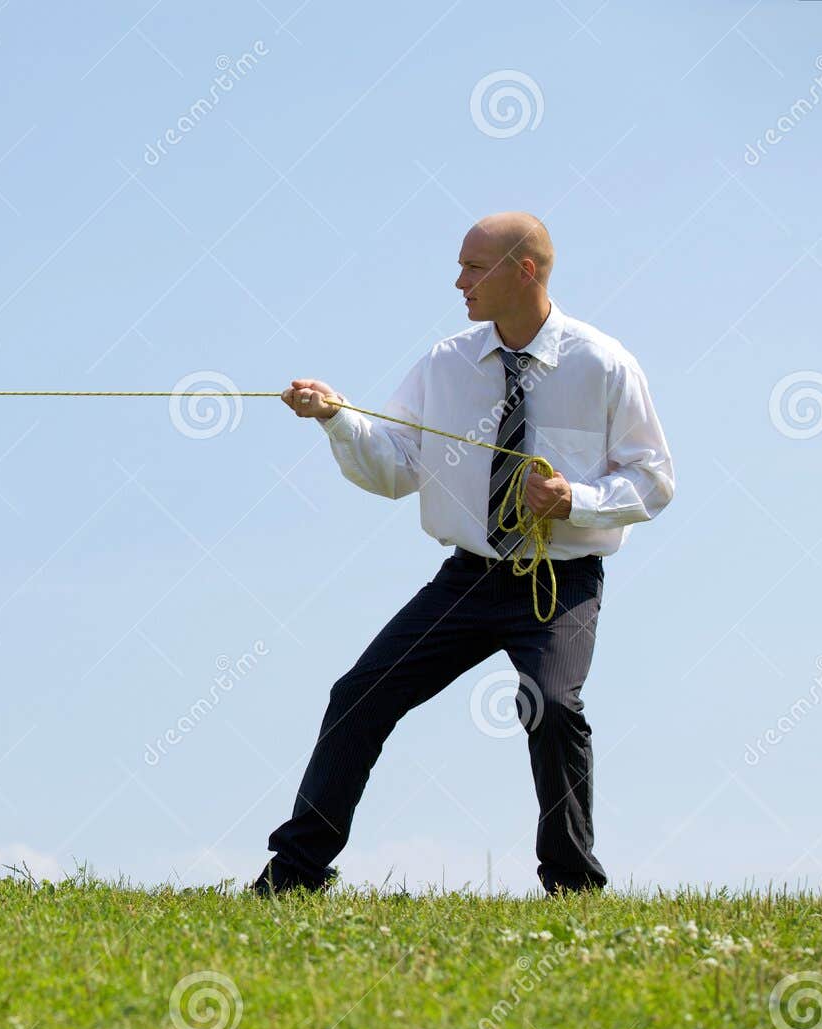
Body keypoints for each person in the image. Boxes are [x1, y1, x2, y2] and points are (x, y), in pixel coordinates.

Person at [253, 212, 675, 897]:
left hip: (559, 581)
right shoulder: (446, 363)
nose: (460, 282)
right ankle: (295, 873)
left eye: (474, 267)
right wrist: (337, 417)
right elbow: (394, 469)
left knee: (552, 705)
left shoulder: (603, 364)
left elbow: (654, 478)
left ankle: (572, 888)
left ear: (525, 270)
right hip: (468, 577)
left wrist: (576, 498)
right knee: (359, 695)